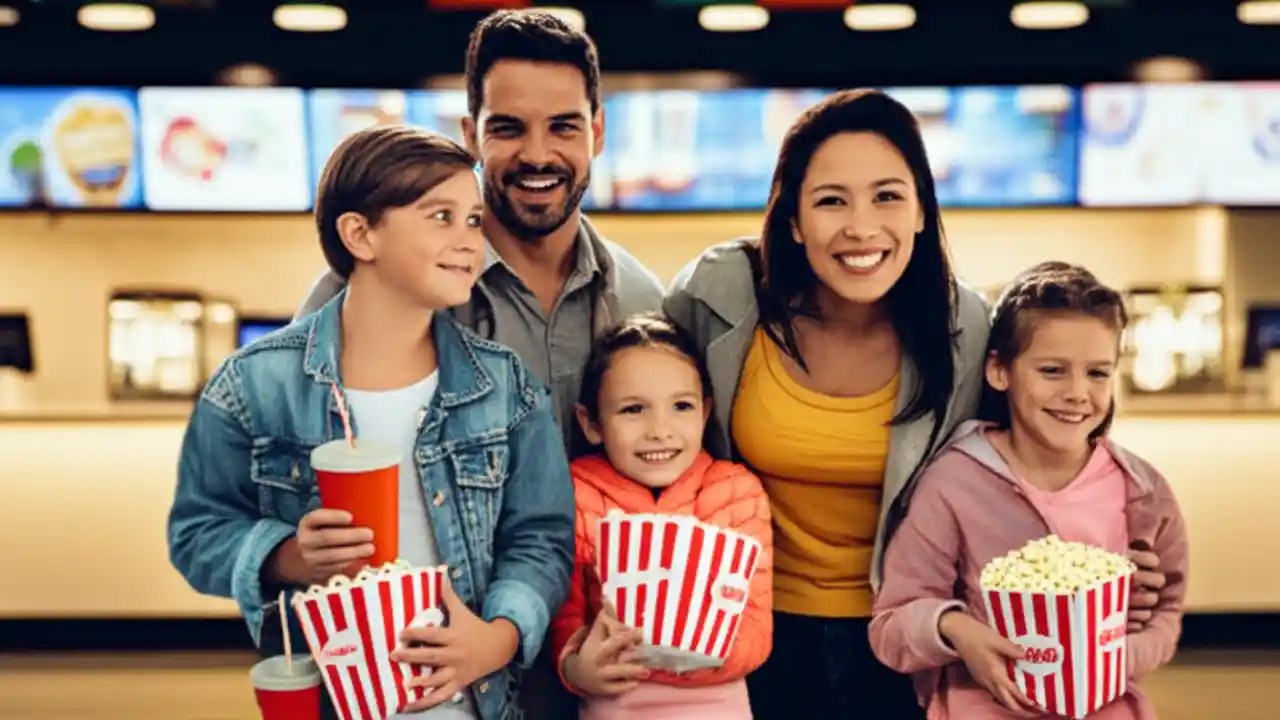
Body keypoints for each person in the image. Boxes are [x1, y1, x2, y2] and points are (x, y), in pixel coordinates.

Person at [168, 125, 575, 720]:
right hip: (330, 700)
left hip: (476, 705)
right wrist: (286, 556)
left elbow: (541, 540)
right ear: (360, 234)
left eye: (472, 220)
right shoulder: (254, 384)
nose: (471, 242)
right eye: (441, 216)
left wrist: (500, 637)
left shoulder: (505, 385)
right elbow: (196, 533)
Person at [664, 88, 991, 718]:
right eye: (831, 200)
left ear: (922, 210)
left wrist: (1121, 545)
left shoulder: (967, 331)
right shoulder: (719, 296)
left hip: (906, 634)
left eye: (888, 196)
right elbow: (647, 421)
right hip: (742, 628)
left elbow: (1021, 474)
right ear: (793, 220)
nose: (861, 227)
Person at [296, 9, 664, 456]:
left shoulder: (641, 300)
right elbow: (266, 459)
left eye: (563, 127)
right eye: (508, 128)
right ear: (471, 136)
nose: (536, 155)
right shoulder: (371, 284)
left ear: (597, 132)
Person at [868, 261, 1188, 719]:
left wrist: (1111, 661)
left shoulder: (1142, 490)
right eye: (1053, 370)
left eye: (1098, 373)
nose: (1078, 392)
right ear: (1000, 371)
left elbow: (1166, 615)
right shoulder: (954, 484)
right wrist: (956, 627)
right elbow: (892, 625)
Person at [549, 313, 773, 719]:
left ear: (705, 413)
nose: (660, 430)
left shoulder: (738, 493)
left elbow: (756, 629)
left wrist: (683, 655)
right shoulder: (576, 494)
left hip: (714, 704)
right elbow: (566, 620)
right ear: (591, 423)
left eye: (681, 406)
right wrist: (576, 669)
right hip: (616, 701)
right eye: (634, 410)